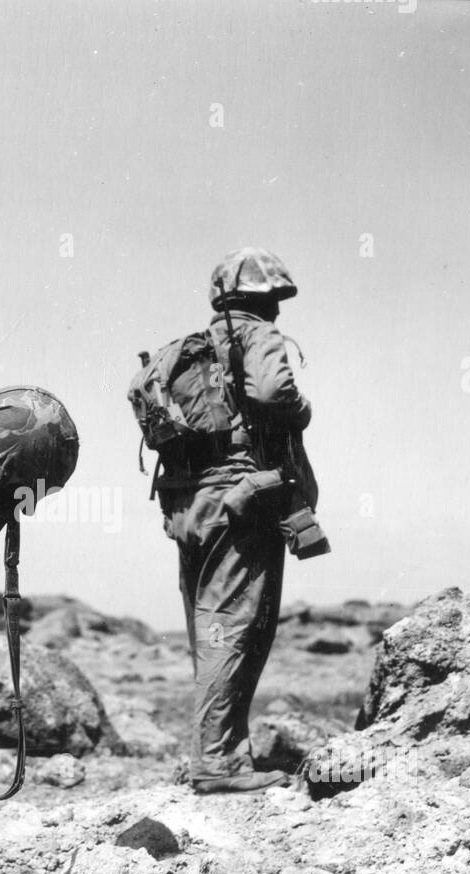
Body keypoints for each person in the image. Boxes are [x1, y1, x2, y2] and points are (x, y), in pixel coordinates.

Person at [156, 247, 316, 794]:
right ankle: (219, 762)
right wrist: (302, 411)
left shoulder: (198, 348)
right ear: (269, 297)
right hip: (242, 499)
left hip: (189, 502)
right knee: (237, 627)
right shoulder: (256, 336)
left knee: (211, 629)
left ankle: (222, 751)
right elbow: (273, 392)